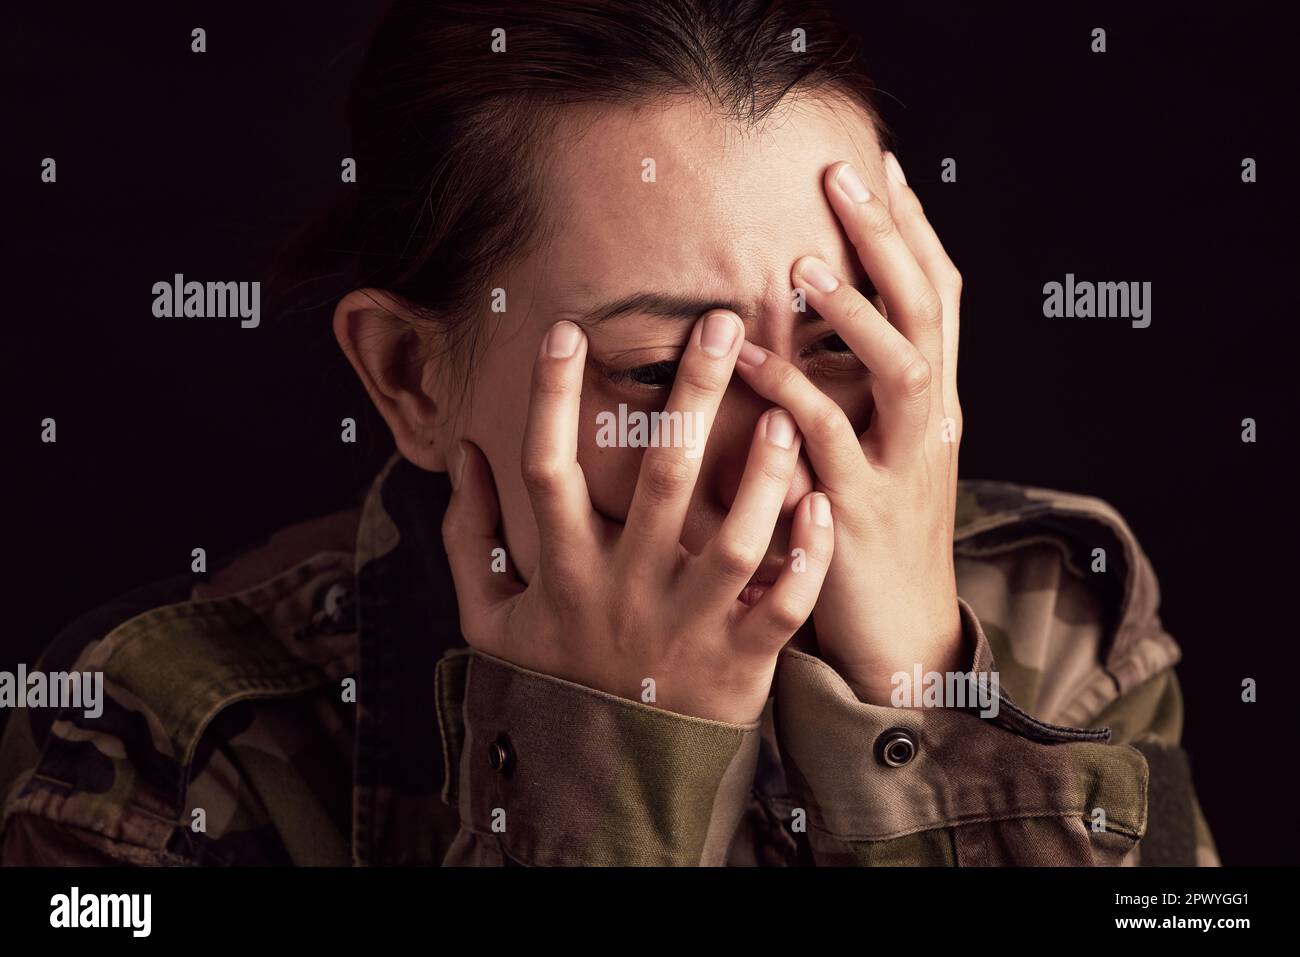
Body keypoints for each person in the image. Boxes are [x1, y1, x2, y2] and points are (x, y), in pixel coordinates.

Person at [0, 0, 1218, 866]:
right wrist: (609, 768)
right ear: (412, 377)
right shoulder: (164, 734)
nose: (777, 454)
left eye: (843, 338)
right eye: (656, 375)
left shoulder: (1056, 610)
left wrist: (924, 697)